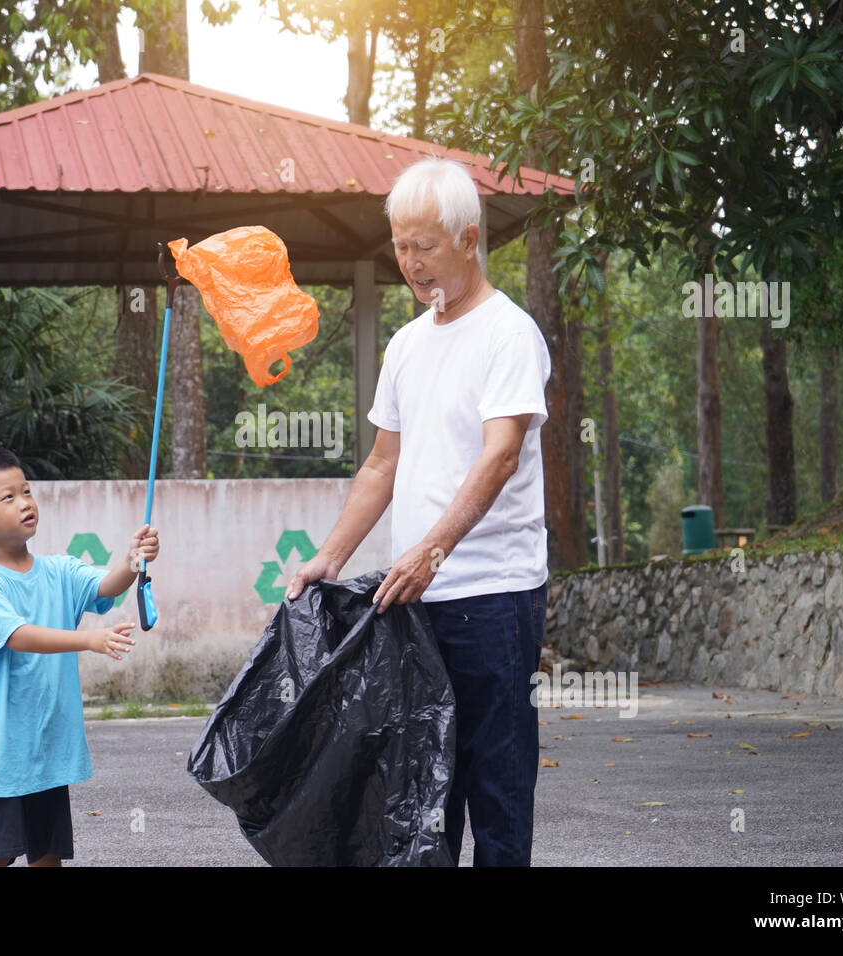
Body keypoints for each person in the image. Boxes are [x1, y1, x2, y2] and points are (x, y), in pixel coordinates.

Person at [286, 157, 551, 866]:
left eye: (424, 246)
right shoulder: (406, 345)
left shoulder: (508, 334)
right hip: (413, 602)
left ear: (469, 238)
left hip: (494, 599)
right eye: (400, 246)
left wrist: (432, 552)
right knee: (419, 799)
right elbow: (381, 464)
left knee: (495, 789)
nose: (409, 262)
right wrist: (331, 556)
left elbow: (498, 457)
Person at [0, 446, 158, 867]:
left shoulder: (60, 570)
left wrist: (134, 559)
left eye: (26, 491)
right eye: (8, 497)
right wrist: (89, 640)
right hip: (3, 753)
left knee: (47, 855)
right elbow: (19, 636)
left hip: (47, 750)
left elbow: (109, 586)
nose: (25, 502)